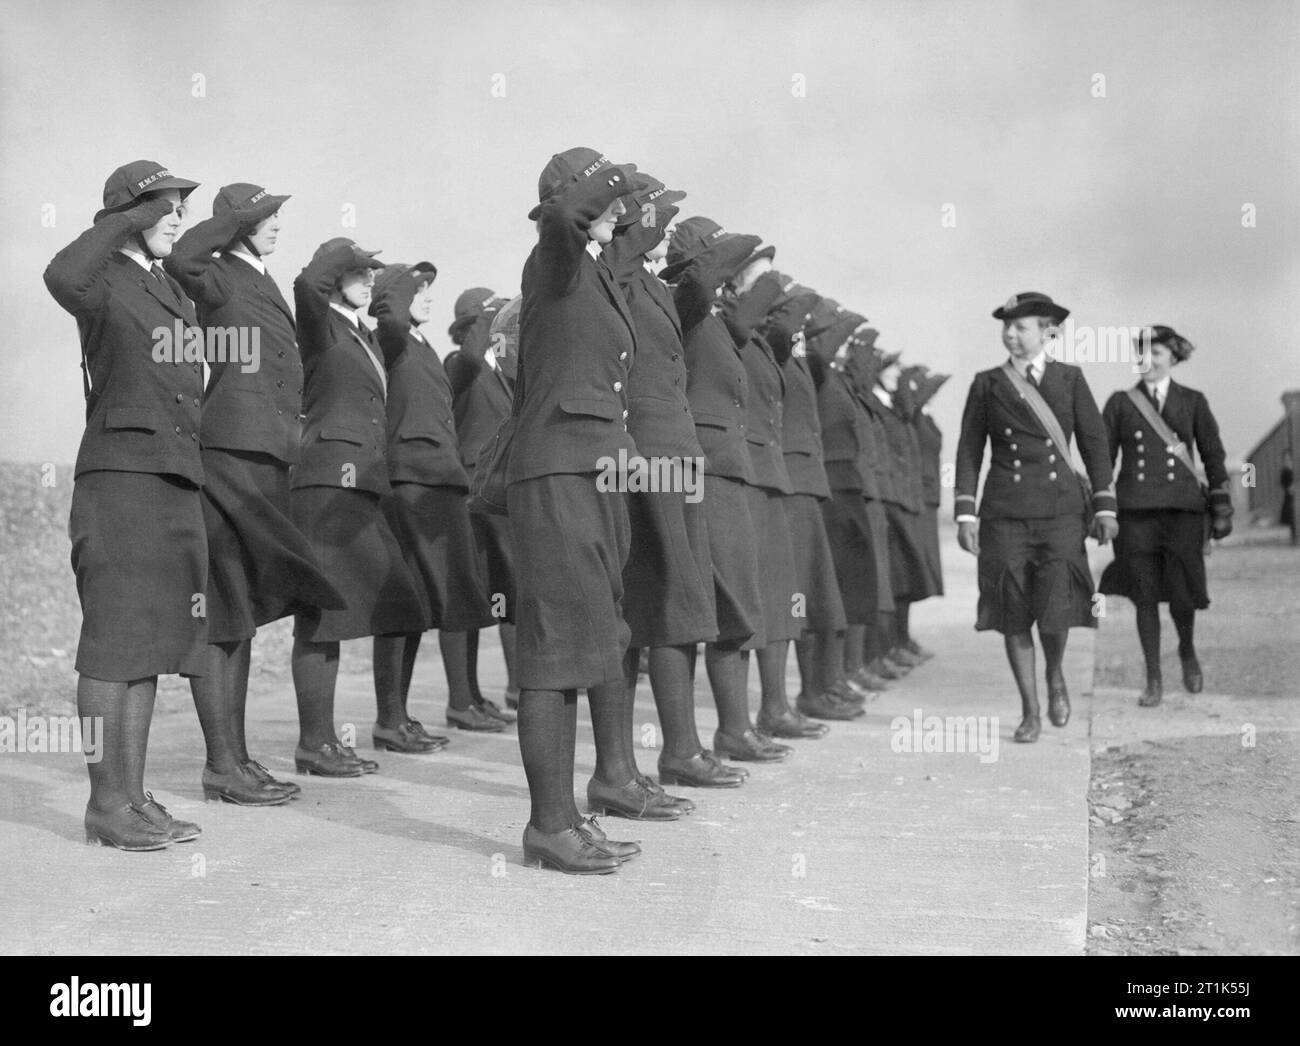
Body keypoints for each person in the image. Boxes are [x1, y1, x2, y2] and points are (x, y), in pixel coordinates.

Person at [165, 181, 344, 805]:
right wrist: (234, 219)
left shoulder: (260, 278)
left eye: (275, 215)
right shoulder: (217, 272)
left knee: (237, 611)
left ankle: (235, 760)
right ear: (238, 224)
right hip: (231, 451)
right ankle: (223, 765)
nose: (276, 225)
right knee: (224, 609)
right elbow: (181, 257)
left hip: (268, 453)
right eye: (265, 217)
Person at [45, 160, 206, 849]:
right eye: (165, 207)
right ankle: (105, 805)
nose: (177, 217)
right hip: (119, 477)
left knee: (148, 644)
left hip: (170, 476)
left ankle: (133, 799)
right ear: (130, 214)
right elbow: (61, 276)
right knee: (113, 643)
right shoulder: (102, 274)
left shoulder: (166, 286)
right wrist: (129, 217)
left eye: (181, 207)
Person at [508, 147, 642, 873]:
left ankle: (564, 819)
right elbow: (564, 215)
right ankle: (547, 826)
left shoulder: (593, 269)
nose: (621, 208)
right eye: (609, 198)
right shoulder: (552, 260)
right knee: (555, 648)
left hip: (595, 472)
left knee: (586, 641)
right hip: (557, 472)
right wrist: (610, 176)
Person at [602, 176, 740, 795]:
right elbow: (698, 280)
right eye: (656, 217)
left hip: (677, 456)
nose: (665, 225)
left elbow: (702, 287)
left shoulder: (652, 285)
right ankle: (658, 757)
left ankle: (680, 750)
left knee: (677, 604)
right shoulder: (619, 276)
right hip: (649, 456)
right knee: (653, 605)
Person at [289, 238, 428, 776]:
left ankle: (388, 722)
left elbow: (391, 318)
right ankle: (315, 743)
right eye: (358, 271)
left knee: (402, 601)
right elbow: (307, 284)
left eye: (373, 271)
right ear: (335, 277)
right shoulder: (319, 324)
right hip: (326, 482)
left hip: (363, 484)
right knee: (322, 616)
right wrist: (339, 252)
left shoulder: (361, 333)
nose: (369, 278)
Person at [954, 292, 1118, 742]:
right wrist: (965, 513)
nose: (1010, 334)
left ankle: (1055, 674)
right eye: (1006, 326)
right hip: (1005, 514)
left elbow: (1094, 444)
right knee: (1012, 610)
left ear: (1048, 331)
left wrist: (1105, 504)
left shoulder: (1070, 379)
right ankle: (1029, 710)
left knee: (1055, 607)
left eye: (1020, 326)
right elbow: (969, 450)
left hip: (1060, 513)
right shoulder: (987, 383)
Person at [665, 217, 788, 763]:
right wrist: (747, 257)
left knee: (737, 604)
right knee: (714, 606)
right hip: (705, 472)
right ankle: (714, 736)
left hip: (727, 471)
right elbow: (701, 283)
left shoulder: (716, 319)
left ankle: (735, 729)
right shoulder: (686, 307)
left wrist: (753, 270)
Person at [369, 262, 502, 745]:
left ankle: (399, 718)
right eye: (418, 291)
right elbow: (394, 317)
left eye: (428, 290)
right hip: (411, 480)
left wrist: (490, 316)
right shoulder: (392, 340)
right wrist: (404, 285)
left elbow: (469, 360)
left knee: (421, 605)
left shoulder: (420, 345)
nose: (427, 297)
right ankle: (390, 719)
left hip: (438, 480)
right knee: (403, 606)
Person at [1098, 325, 1231, 705]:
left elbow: (1213, 454)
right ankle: (1153, 677)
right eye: (1141, 353)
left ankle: (1186, 649)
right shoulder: (1120, 403)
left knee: (1182, 596)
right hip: (1135, 513)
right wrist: (1102, 506)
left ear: (1173, 357)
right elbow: (1103, 458)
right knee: (1144, 596)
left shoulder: (1193, 401)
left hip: (1182, 511)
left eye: (1155, 353)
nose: (1147, 361)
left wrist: (1221, 503)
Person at [445, 289, 520, 711]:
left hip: (502, 485)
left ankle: (517, 685)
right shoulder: (459, 364)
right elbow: (472, 357)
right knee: (470, 591)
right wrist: (489, 315)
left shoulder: (502, 369)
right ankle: (463, 697)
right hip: (473, 483)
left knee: (509, 584)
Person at [1280, 449, 1296, 546]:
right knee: (1292, 519)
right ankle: (1294, 539)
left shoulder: (1294, 469)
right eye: (1285, 459)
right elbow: (1286, 486)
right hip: (1290, 498)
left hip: (1294, 498)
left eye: (1289, 458)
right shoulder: (1285, 472)